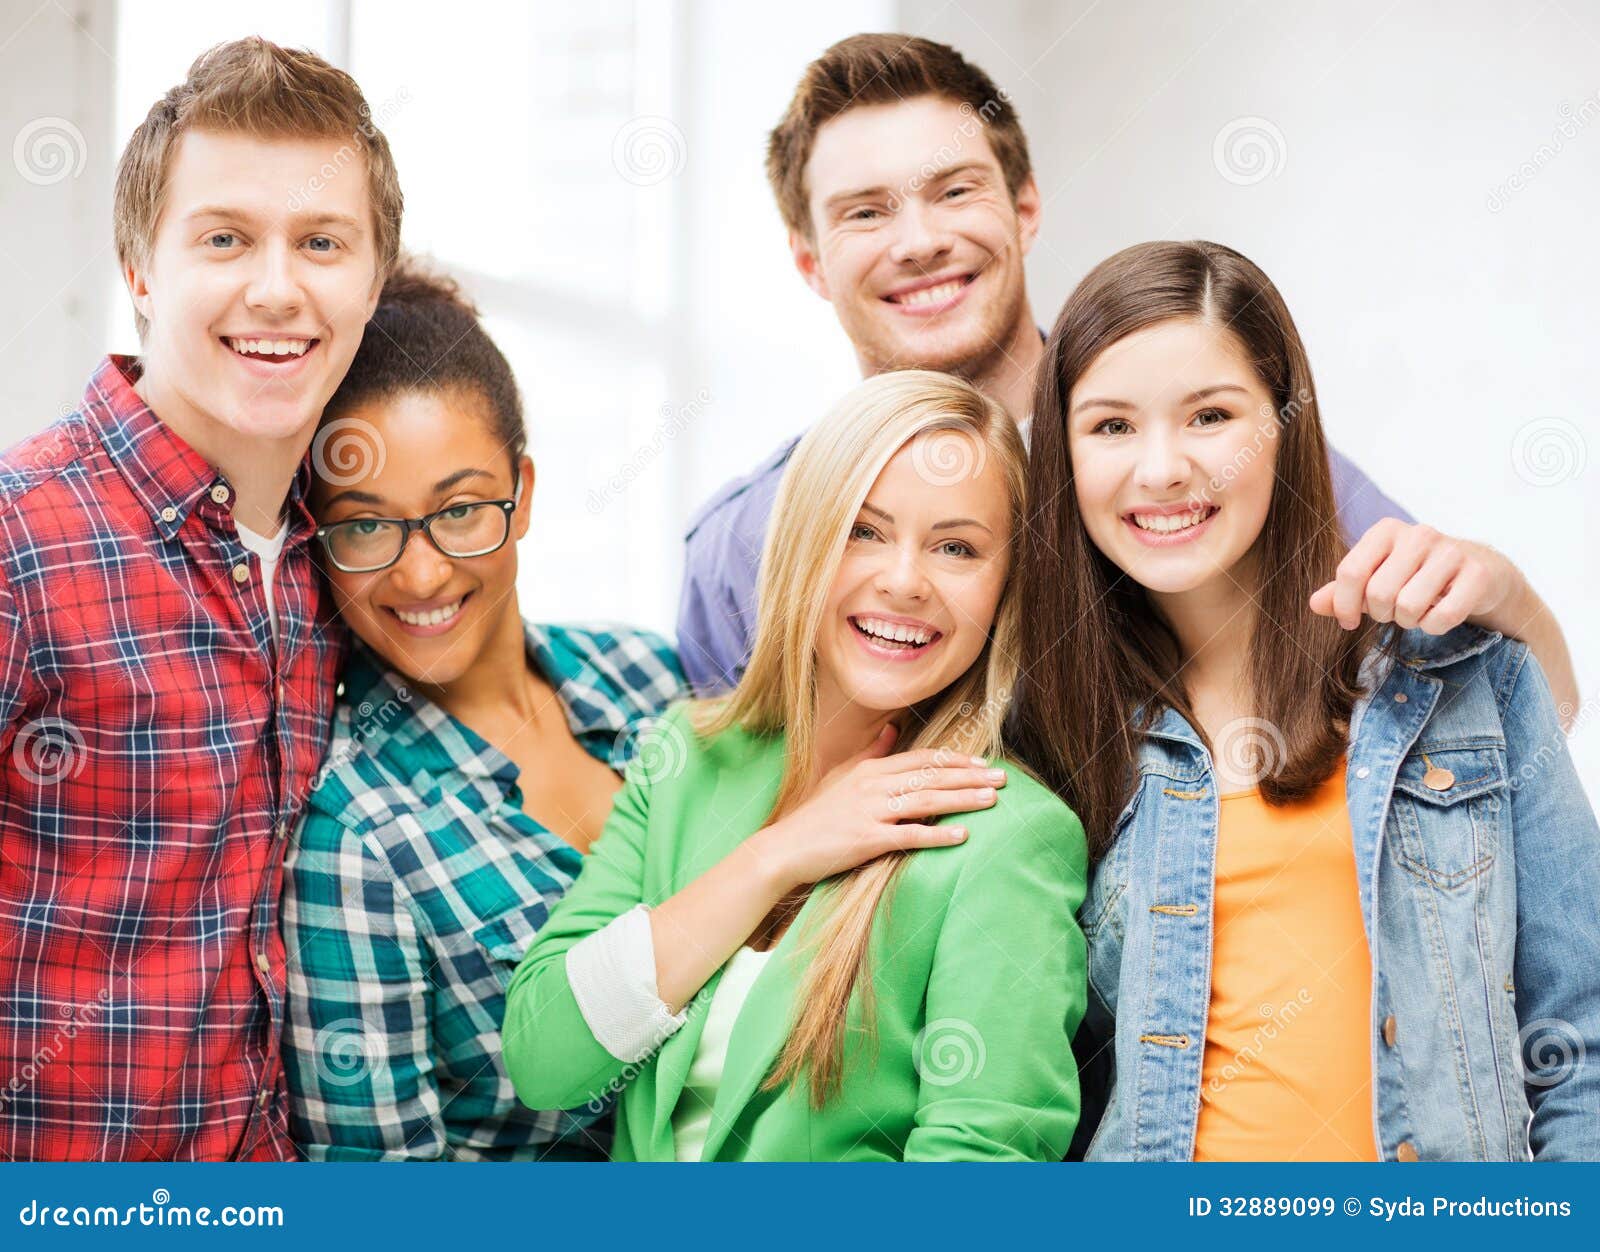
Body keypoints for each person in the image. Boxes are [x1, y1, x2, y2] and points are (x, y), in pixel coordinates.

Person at [676, 32, 1577, 724]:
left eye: (955, 191)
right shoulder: (740, 549)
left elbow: (1525, 720)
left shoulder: (1217, 458)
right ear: (809, 261)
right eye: (866, 212)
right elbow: (736, 828)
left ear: (1024, 208)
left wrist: (1507, 592)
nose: (919, 241)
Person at [1014, 239, 1600, 1161]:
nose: (1162, 469)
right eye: (1112, 426)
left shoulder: (1460, 678)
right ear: (1063, 455)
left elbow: (1582, 1046)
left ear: (1285, 426)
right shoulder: (1041, 732)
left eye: (1211, 415)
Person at [502, 371, 1087, 1161]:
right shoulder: (687, 760)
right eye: (864, 530)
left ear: (1005, 586)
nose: (905, 581)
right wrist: (776, 855)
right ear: (805, 539)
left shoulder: (1007, 834)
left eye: (956, 547)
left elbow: (981, 1172)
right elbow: (545, 1060)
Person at [0, 38, 399, 1160]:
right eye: (224, 238)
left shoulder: (338, 571)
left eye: (322, 243)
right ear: (138, 268)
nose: (277, 287)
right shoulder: (18, 540)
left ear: (371, 280)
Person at [283, 262, 686, 1160]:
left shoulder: (656, 677)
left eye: (461, 510)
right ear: (316, 532)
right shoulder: (355, 834)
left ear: (526, 493)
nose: (421, 574)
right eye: (364, 524)